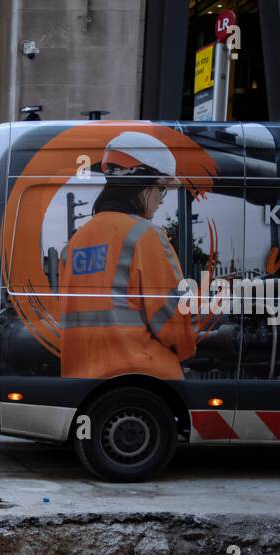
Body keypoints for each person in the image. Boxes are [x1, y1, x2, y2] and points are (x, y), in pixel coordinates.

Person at [57, 132, 195, 380]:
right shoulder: (145, 236)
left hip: (82, 382)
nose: (161, 201)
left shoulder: (74, 244)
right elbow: (173, 321)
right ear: (142, 186)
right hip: (145, 380)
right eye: (161, 189)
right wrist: (189, 346)